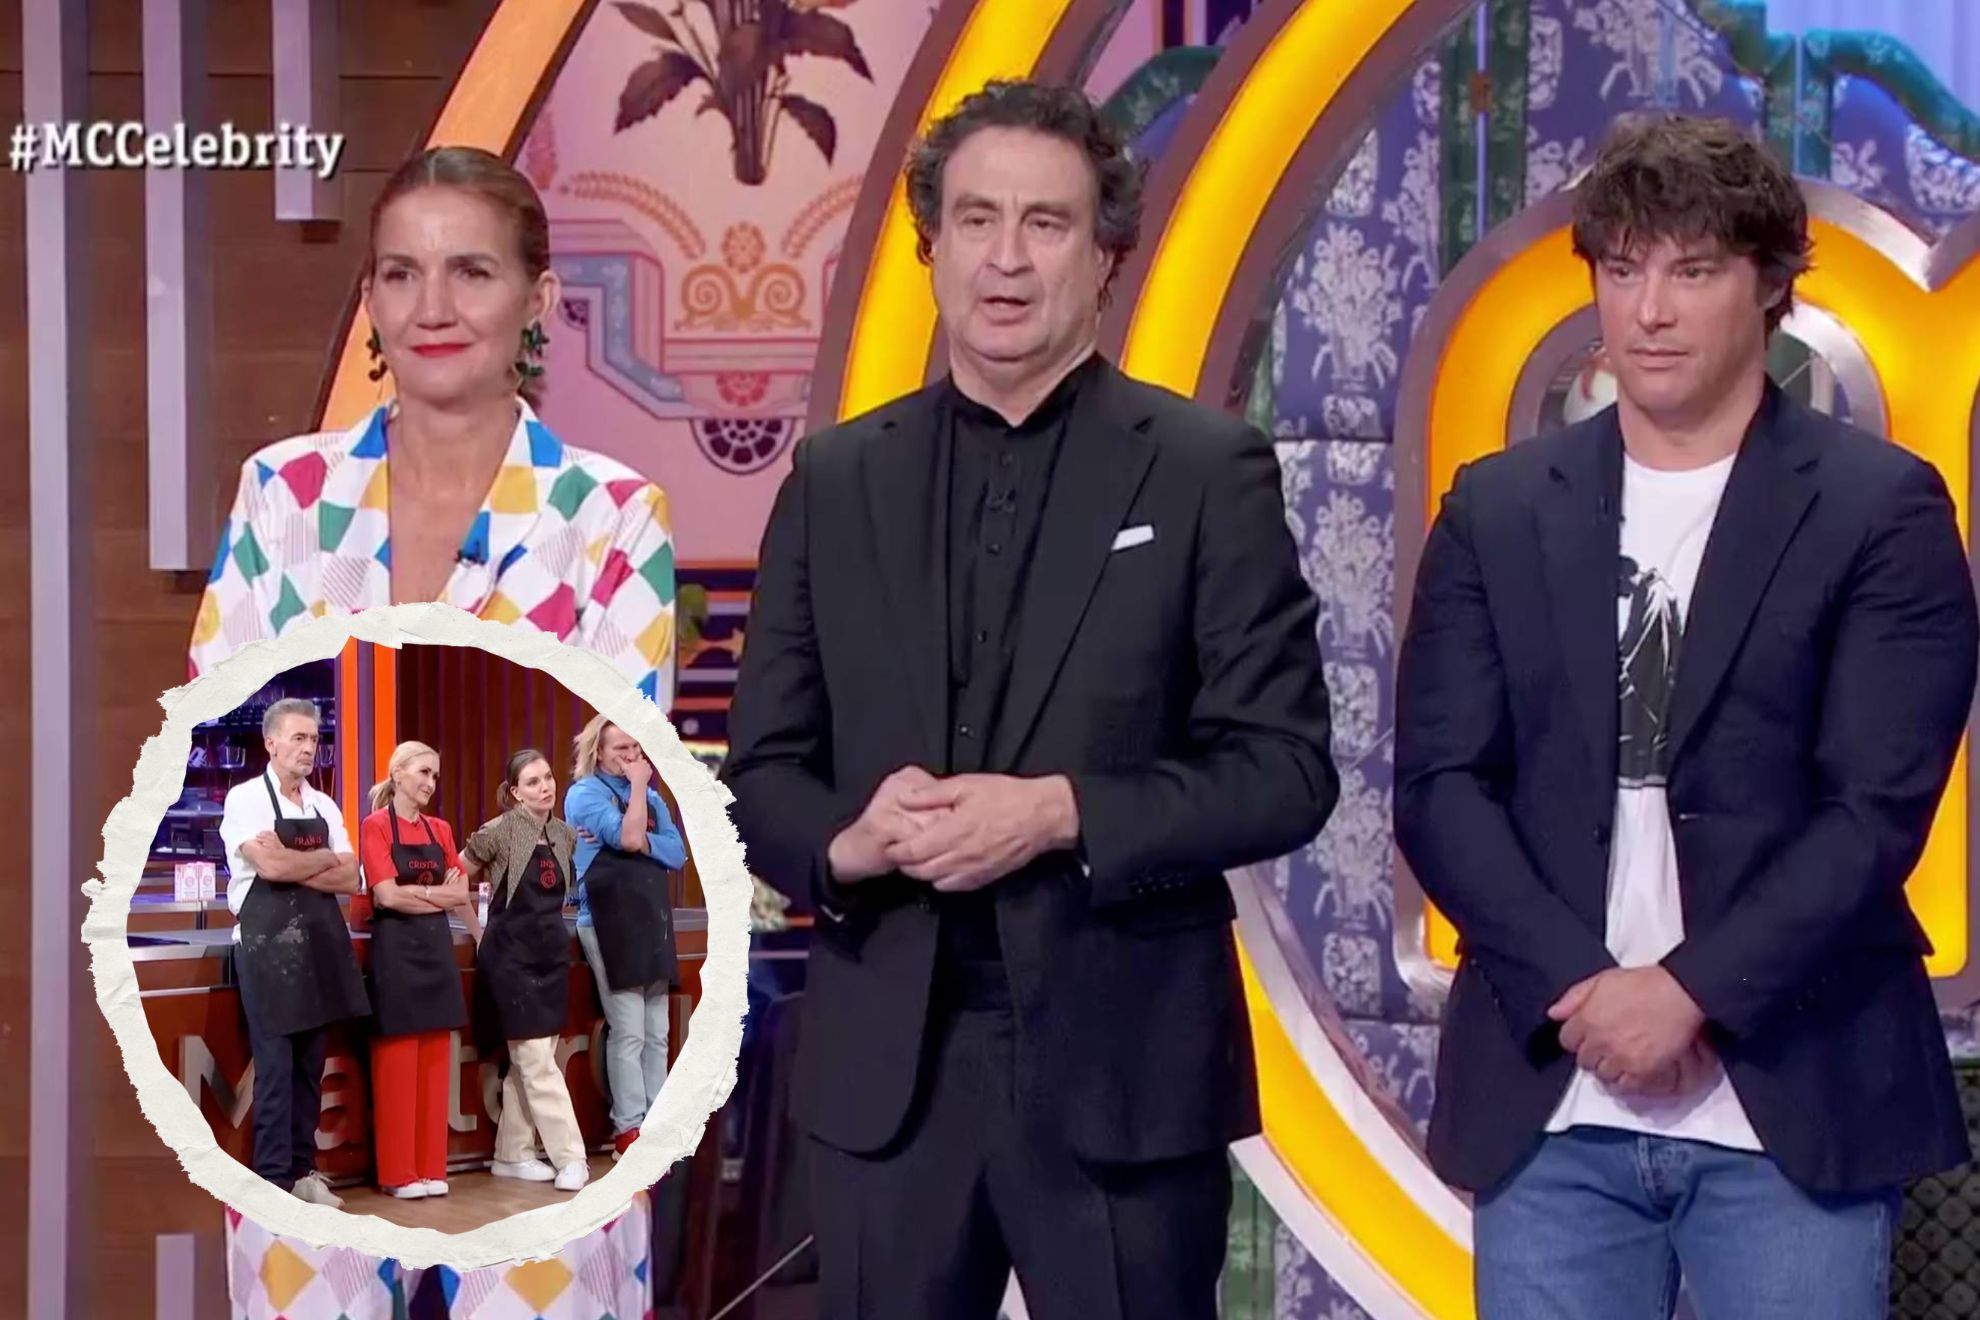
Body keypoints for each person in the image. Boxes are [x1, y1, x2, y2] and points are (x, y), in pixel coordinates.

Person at [721, 79, 1335, 1320]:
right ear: (931, 247)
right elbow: (759, 779)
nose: (1006, 258)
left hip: (1123, 1072)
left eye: (1046, 224)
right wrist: (849, 841)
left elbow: (1283, 771)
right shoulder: (834, 480)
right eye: (977, 219)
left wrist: (1061, 813)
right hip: (888, 1079)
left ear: (1106, 256)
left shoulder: (1207, 471)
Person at [1393, 113, 1979, 1319]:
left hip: (1792, 1100)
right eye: (1623, 270)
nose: (1649, 311)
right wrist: (1585, 990)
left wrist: (1689, 992)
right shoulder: (1497, 508)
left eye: (1693, 271)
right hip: (1553, 1102)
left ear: (1770, 286)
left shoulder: (1881, 508)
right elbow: (1442, 788)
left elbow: (1873, 812)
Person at [186, 145, 678, 706]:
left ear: (537, 300)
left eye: (472, 273)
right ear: (371, 302)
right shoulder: (282, 493)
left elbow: (618, 754)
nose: (433, 310)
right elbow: (215, 739)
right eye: (402, 274)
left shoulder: (614, 519)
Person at [218, 698, 368, 1208]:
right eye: (299, 738)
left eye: (314, 739)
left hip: (320, 948)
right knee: (276, 1071)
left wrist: (298, 858)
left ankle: (304, 1172)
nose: (309, 748)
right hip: (266, 949)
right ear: (271, 743)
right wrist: (322, 859)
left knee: (310, 1069)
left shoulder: (324, 805)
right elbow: (272, 870)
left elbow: (350, 877)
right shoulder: (245, 799)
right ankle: (273, 1182)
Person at [460, 749, 591, 1192]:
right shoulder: (496, 832)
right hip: (510, 959)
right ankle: (571, 1157)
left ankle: (512, 1154)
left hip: (550, 955)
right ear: (515, 792)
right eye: (533, 782)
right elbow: (454, 879)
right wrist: (478, 933)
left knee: (528, 1065)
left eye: (548, 777)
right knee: (537, 1063)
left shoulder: (564, 834)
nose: (545, 787)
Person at [564, 714, 687, 1160]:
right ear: (598, 752)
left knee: (658, 1031)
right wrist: (637, 792)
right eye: (622, 749)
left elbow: (677, 853)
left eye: (637, 748)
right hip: (607, 919)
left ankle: (656, 1124)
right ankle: (628, 1129)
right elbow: (631, 837)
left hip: (651, 920)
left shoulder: (653, 798)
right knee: (629, 1029)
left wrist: (643, 838)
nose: (634, 757)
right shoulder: (585, 794)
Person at [355, 741, 473, 1199]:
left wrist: (417, 895)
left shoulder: (440, 829)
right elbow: (385, 895)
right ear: (398, 773)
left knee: (435, 1063)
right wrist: (434, 895)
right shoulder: (375, 826)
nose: (430, 783)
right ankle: (398, 1173)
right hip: (396, 954)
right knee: (398, 1065)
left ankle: (431, 1168)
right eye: (424, 772)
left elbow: (460, 893)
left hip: (436, 952)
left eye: (435, 776)